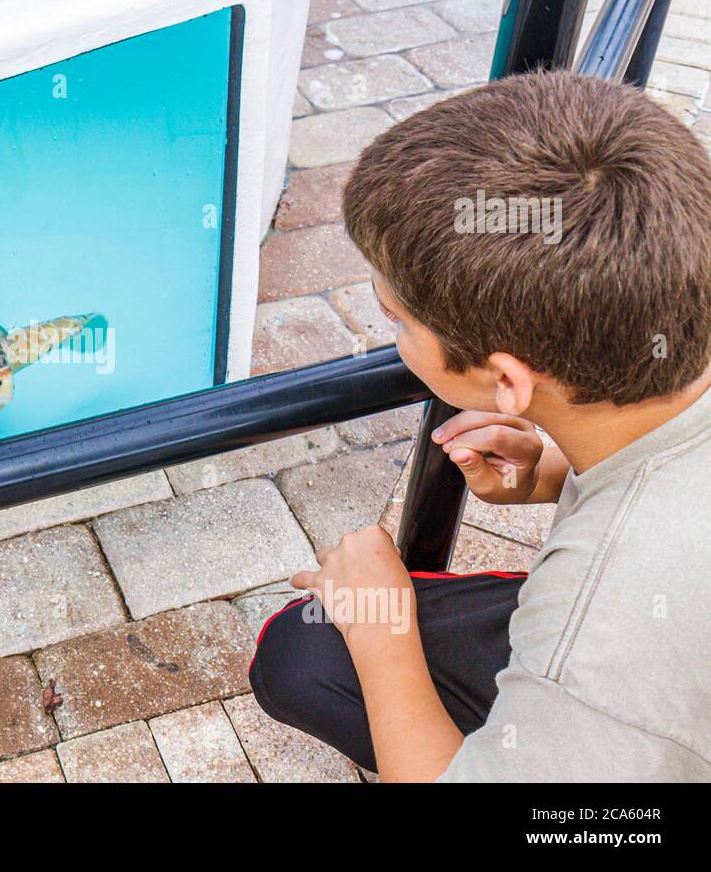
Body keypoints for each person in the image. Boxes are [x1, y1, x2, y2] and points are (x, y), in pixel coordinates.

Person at [249, 71, 711, 781]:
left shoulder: (596, 638)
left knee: (306, 655)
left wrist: (383, 630)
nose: (391, 332)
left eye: (398, 320)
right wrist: (562, 472)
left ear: (506, 383)